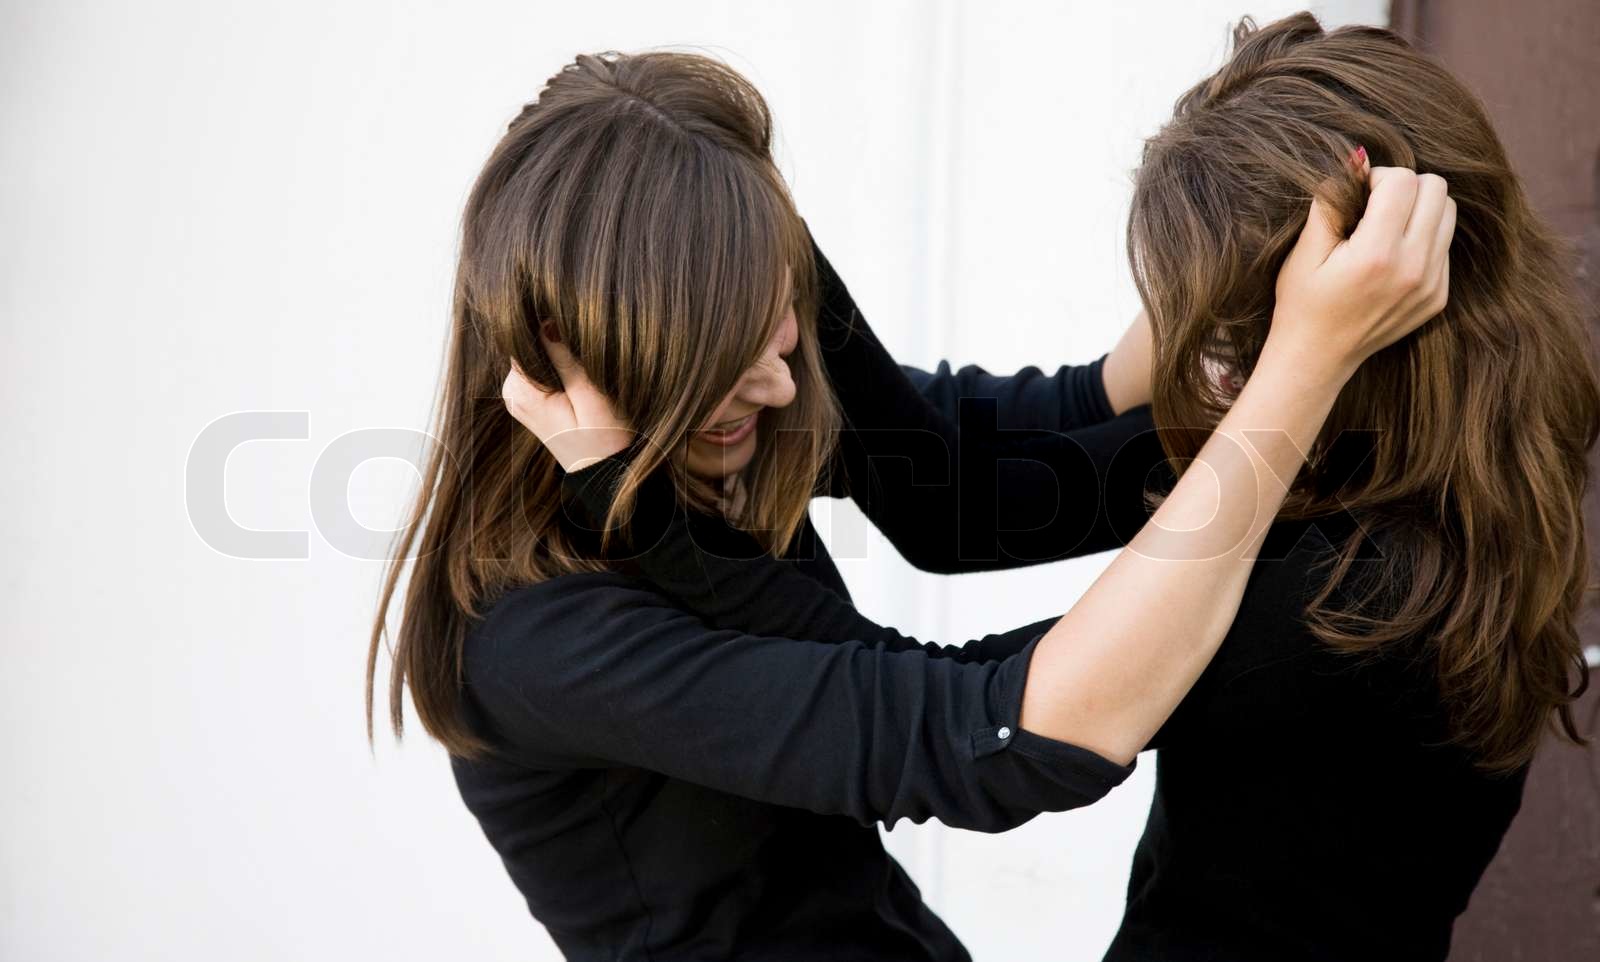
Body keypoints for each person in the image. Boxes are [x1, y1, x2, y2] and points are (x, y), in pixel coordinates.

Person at [370, 47, 1451, 961]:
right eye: (723, 378)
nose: (784, 388)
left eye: (781, 325)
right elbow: (1010, 732)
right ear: (580, 366)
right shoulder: (533, 642)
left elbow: (965, 495)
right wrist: (1300, 372)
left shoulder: (732, 329)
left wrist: (1234, 273)